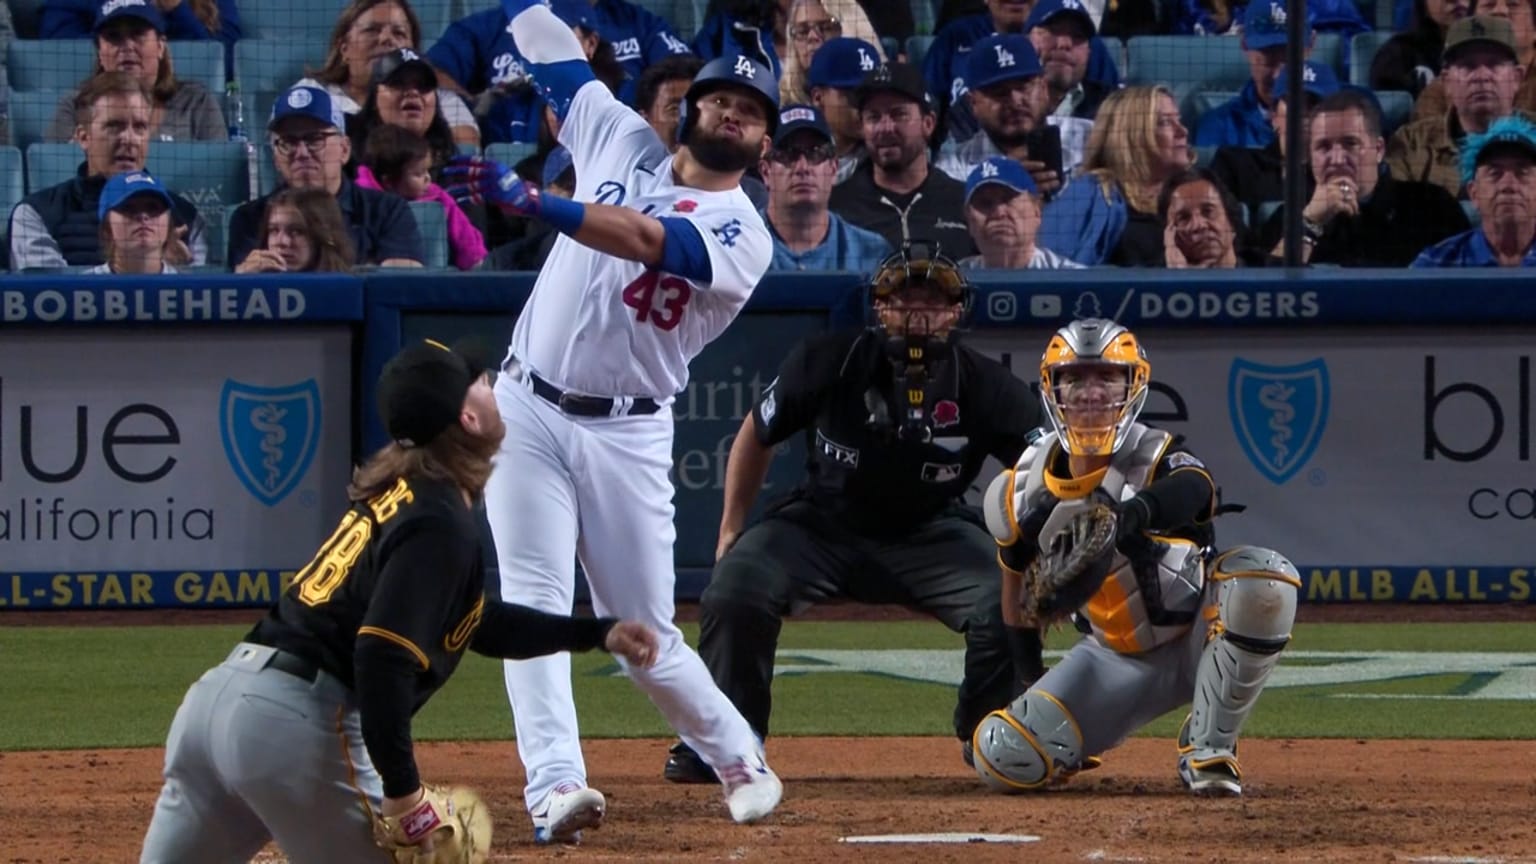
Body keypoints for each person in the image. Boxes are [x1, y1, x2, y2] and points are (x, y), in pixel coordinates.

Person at [439, 0, 786, 842]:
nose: (733, 117)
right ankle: (555, 787)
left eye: (751, 114)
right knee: (535, 601)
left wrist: (536, 200)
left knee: (644, 629)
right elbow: (548, 46)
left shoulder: (745, 232)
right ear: (690, 108)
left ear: (764, 144)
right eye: (722, 102)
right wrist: (527, 16)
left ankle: (738, 758)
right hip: (525, 405)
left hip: (626, 431)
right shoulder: (617, 134)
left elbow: (644, 238)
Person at [137, 338, 661, 863]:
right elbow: (381, 655)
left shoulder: (400, 497)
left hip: (213, 709)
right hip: (292, 727)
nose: (491, 385)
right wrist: (404, 791)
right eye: (477, 381)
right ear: (468, 420)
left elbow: (474, 620)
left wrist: (595, 633)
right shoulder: (438, 521)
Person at [662, 243, 1048, 785]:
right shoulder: (829, 358)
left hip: (931, 532)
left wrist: (1040, 546)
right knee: (733, 589)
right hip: (820, 525)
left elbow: (1047, 467)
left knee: (1003, 601)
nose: (917, 314)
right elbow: (757, 430)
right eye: (902, 300)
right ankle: (727, 741)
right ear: (879, 308)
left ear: (958, 312)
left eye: (934, 303)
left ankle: (990, 734)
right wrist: (731, 527)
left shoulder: (986, 384)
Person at [971, 318, 1300, 798]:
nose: (1091, 392)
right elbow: (1015, 587)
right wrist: (1028, 676)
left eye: (1107, 377)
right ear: (1051, 388)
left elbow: (1196, 488)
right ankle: (1074, 740)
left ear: (1133, 386)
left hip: (1198, 638)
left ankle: (1208, 747)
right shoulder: (1020, 489)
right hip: (1111, 658)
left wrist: (1128, 516)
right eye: (1075, 378)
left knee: (1264, 579)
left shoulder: (1155, 453)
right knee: (1003, 754)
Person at [10, 72, 207, 270]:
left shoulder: (184, 216)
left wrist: (177, 272)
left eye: (139, 127)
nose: (129, 139)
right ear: (83, 137)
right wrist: (149, 265)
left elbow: (204, 292)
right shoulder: (36, 214)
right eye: (114, 126)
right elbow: (47, 294)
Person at [1259, 88, 1469, 265]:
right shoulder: (1289, 216)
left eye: (1350, 144)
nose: (1337, 158)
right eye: (1323, 147)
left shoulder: (1433, 207)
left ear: (1378, 149)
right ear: (1311, 157)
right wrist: (1311, 223)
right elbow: (1271, 297)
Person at [226, 85, 425, 270]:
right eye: (288, 142)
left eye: (315, 139)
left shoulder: (387, 212)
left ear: (344, 149)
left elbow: (402, 286)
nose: (301, 152)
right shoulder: (250, 219)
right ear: (276, 158)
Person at [1038, 85, 1193, 266]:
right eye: (1165, 122)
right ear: (1132, 135)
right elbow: (1049, 269)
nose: (1183, 131)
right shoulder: (1091, 192)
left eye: (1178, 120)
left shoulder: (1196, 190)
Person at [829, 62, 974, 255]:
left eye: (899, 114)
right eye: (874, 117)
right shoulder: (836, 209)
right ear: (862, 127)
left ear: (928, 124)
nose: (885, 128)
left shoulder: (965, 203)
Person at [300, 0, 481, 147]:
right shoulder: (313, 93)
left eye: (399, 33)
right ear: (344, 49)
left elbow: (467, 146)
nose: (387, 39)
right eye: (371, 30)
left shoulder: (436, 96)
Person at [46, 0, 225, 143]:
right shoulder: (75, 106)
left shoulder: (196, 102)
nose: (127, 46)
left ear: (160, 46)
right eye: (114, 36)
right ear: (99, 51)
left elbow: (220, 175)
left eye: (138, 34)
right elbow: (53, 179)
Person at [1388, 16, 1528, 199]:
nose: (1482, 76)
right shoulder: (1411, 144)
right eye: (1468, 66)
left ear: (1517, 78)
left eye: (1494, 64)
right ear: (1446, 82)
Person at [761, 104, 891, 271]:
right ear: (766, 172)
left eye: (816, 153)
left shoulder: (872, 253)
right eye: (788, 155)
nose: (802, 168)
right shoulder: (738, 247)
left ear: (833, 169)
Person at [358, 124, 489, 270]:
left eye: (427, 170)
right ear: (388, 181)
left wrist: (476, 261)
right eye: (418, 174)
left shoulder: (438, 196)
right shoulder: (363, 201)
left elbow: (464, 235)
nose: (427, 178)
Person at [1414, 113, 1536, 265]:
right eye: (1495, 173)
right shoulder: (1435, 263)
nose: (1508, 185)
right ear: (1474, 193)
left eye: (1522, 173)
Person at [960, 156, 1082, 268]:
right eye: (985, 203)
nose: (999, 213)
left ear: (1037, 212)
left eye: (1008, 199)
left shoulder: (1075, 281)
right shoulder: (950, 283)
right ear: (970, 221)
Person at [236, 186, 358, 273]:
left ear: (325, 236)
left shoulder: (350, 289)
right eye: (274, 230)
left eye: (296, 231)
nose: (281, 241)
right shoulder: (253, 281)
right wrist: (242, 283)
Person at [87, 170, 190, 274]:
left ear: (169, 223)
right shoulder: (83, 285)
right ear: (106, 227)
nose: (143, 216)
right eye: (129, 208)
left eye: (153, 208)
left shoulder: (188, 287)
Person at [1158, 168, 1247, 268]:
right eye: (1183, 218)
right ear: (1169, 236)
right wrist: (1180, 278)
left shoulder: (1265, 270)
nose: (1198, 225)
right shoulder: (1143, 278)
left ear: (1231, 221)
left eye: (1208, 211)